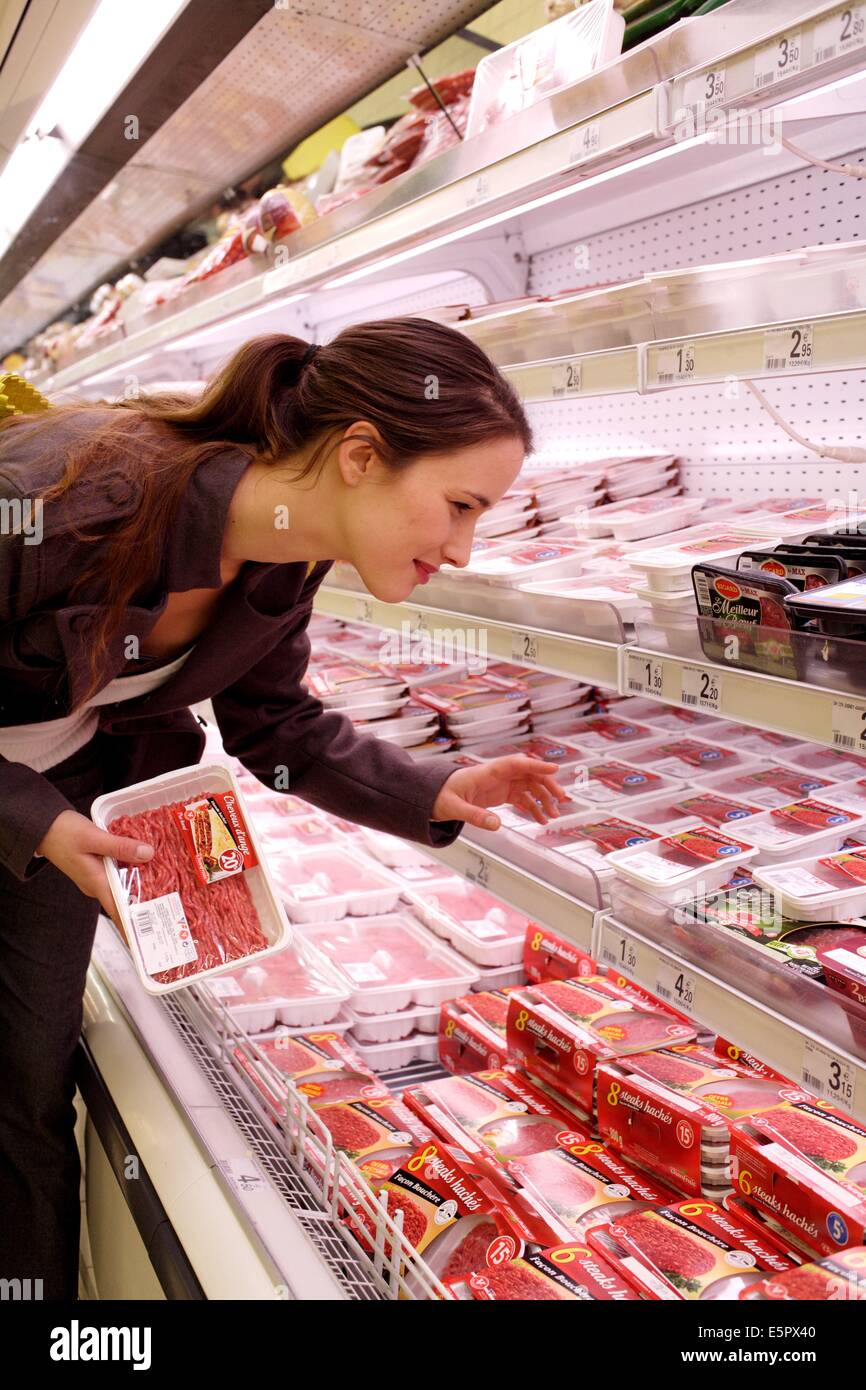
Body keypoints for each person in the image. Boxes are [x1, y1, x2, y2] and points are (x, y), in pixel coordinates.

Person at [0, 317, 569, 1299]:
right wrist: (30, 816)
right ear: (358, 454)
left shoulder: (284, 555)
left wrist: (431, 787)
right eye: (459, 505)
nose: (466, 548)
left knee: (24, 1092)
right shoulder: (75, 494)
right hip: (29, 806)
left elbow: (277, 732)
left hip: (63, 802)